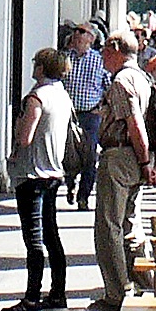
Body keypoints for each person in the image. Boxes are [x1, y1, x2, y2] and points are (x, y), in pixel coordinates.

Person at [6, 49, 73, 311]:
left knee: (33, 238)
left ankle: (32, 298)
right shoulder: (62, 95)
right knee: (51, 235)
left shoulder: (36, 97)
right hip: (54, 173)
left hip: (32, 173)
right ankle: (58, 295)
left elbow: (25, 138)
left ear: (42, 68)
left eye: (36, 63)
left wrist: (20, 121)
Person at [92, 30, 152, 311]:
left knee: (109, 226)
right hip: (132, 157)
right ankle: (139, 281)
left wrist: (144, 161)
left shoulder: (122, 80)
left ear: (116, 49)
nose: (101, 53)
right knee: (129, 223)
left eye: (105, 48)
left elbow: (134, 123)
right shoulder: (141, 78)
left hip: (119, 154)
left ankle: (117, 291)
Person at [64, 21, 105, 209]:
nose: (77, 35)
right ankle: (70, 183)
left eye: (81, 31)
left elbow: (108, 85)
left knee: (90, 157)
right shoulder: (65, 58)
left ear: (91, 38)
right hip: (69, 114)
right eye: (75, 32)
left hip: (90, 114)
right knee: (67, 154)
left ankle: (84, 196)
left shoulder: (99, 59)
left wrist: (103, 107)